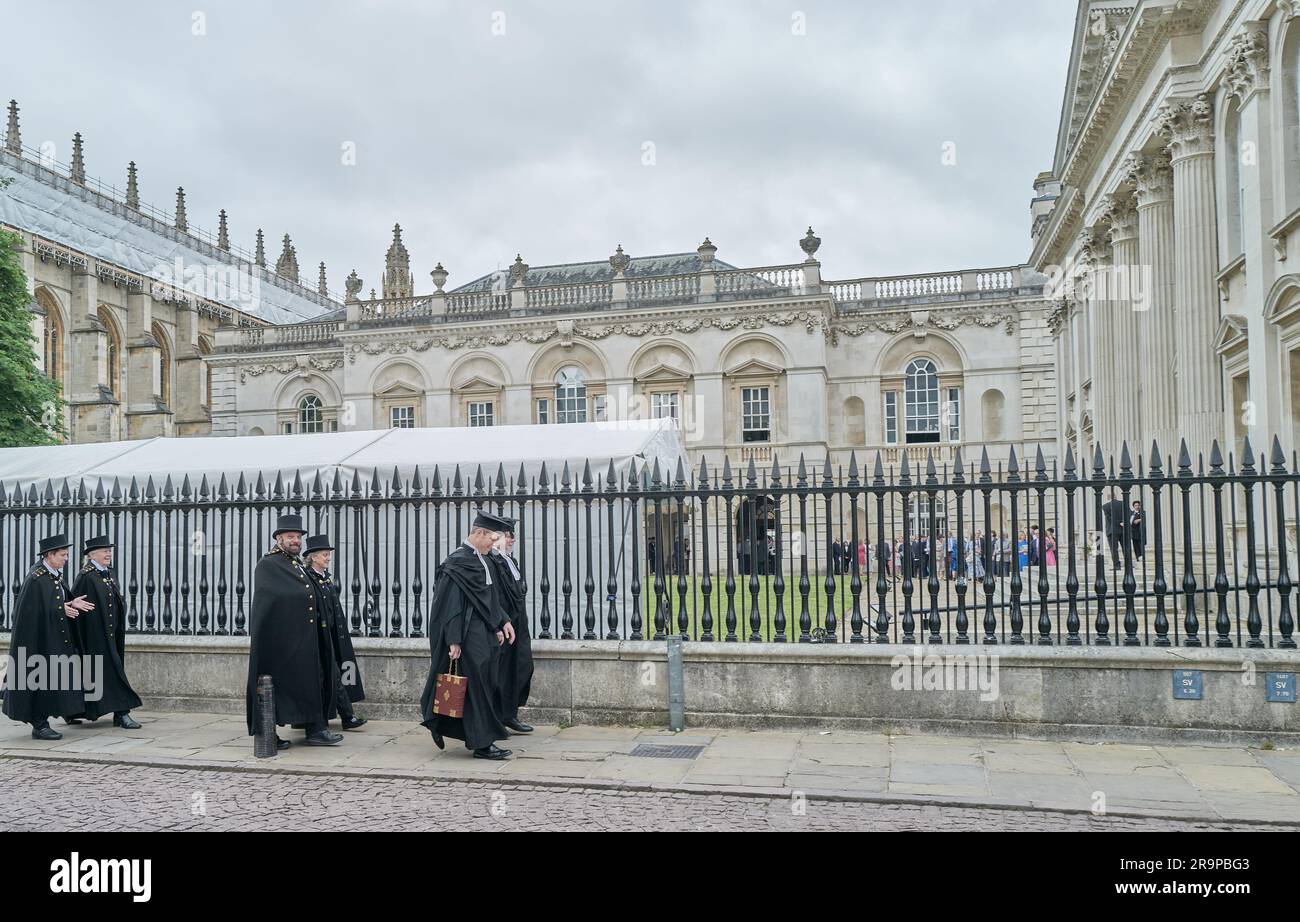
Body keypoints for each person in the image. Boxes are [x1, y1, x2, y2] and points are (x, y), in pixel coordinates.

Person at [420, 512, 515, 760]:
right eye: (492, 539)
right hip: (467, 636)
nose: (493, 544)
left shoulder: (481, 559)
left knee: (484, 684)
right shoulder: (457, 561)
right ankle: (483, 744)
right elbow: (450, 605)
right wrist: (453, 640)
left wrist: (502, 621)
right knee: (477, 687)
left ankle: (461, 731)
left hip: (483, 634)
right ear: (479, 533)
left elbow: (487, 597)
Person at [245, 514, 343, 750]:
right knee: (274, 689)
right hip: (281, 641)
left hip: (304, 639)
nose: (296, 541)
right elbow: (269, 601)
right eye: (290, 537)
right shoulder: (269, 564)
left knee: (310, 684)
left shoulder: (294, 562)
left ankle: (315, 729)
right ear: (279, 538)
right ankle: (268, 733)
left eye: (298, 537)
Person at [2, 534, 94, 740]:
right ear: (49, 555)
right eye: (63, 555)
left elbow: (52, 603)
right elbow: (30, 612)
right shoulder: (36, 578)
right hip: (39, 642)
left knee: (56, 678)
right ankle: (39, 724)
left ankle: (61, 714)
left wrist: (69, 604)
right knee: (39, 680)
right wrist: (61, 608)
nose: (66, 559)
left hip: (55, 638)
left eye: (67, 554)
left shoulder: (53, 575)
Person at [68, 536, 142, 728]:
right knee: (109, 673)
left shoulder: (108, 573)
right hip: (95, 637)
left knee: (100, 674)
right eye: (105, 551)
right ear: (92, 555)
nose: (109, 554)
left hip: (112, 634)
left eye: (109, 550)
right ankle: (122, 713)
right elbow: (76, 605)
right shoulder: (86, 576)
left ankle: (74, 711)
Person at [302, 534, 367, 731]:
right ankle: (348, 716)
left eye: (328, 554)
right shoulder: (309, 578)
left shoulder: (325, 578)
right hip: (320, 638)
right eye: (324, 555)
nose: (328, 558)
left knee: (343, 673)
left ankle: (343, 716)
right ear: (313, 557)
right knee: (334, 676)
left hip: (334, 636)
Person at [489, 520, 534, 735]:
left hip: (518, 622)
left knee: (522, 666)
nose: (513, 539)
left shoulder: (510, 561)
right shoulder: (493, 562)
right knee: (502, 672)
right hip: (504, 622)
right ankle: (500, 717)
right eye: (508, 535)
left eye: (513, 535)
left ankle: (510, 713)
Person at [1101, 490, 1127, 571]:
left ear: (1108, 497)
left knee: (1114, 549)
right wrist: (1122, 522)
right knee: (1126, 548)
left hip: (1112, 531)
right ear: (1116, 496)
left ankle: (1117, 565)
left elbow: (1109, 518)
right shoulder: (1123, 504)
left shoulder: (1105, 506)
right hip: (1123, 530)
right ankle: (1128, 564)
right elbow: (1129, 514)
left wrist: (1119, 522)